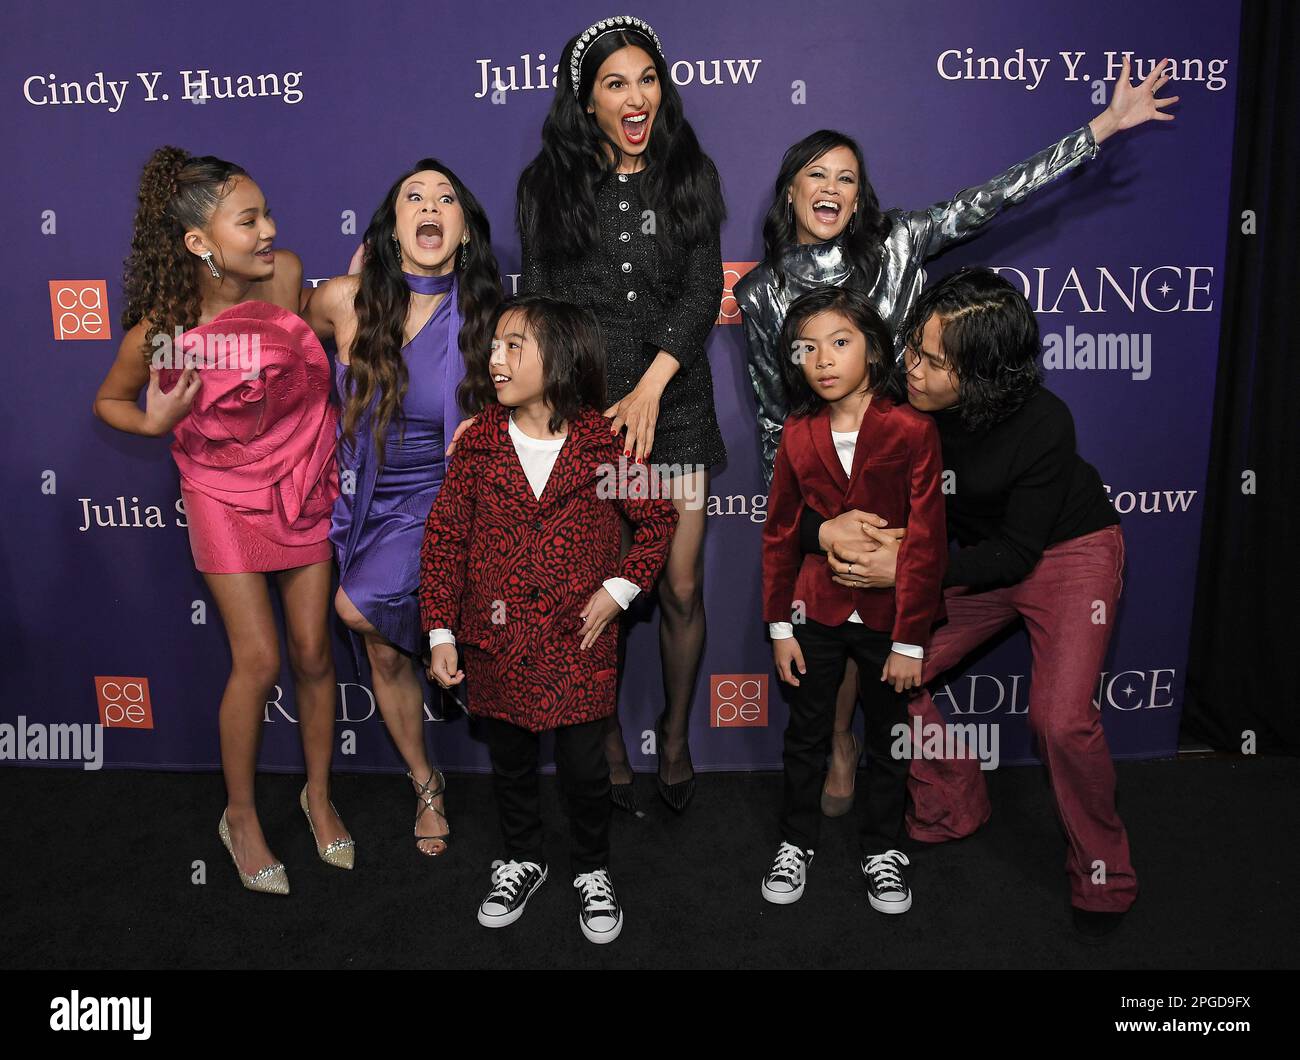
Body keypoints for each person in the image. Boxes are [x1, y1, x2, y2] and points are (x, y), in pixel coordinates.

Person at [736, 54, 1179, 815]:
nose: (832, 189)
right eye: (817, 174)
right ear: (790, 191)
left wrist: (1101, 126)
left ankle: (858, 746)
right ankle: (844, 746)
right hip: (829, 478)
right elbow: (777, 412)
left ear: (860, 194)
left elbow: (996, 198)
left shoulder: (901, 243)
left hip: (915, 462)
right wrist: (815, 518)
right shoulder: (761, 291)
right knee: (836, 607)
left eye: (847, 177)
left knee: (883, 627)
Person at [802, 268, 1137, 938]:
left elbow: (1018, 554)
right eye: (914, 350)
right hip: (970, 554)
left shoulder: (1044, 423)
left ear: (982, 375)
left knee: (1061, 721)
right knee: (887, 667)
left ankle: (1104, 873)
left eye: (933, 361)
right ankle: (956, 797)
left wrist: (909, 564)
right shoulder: (900, 396)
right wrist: (836, 526)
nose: (912, 369)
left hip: (1068, 553)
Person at [93, 147, 349, 894]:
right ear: (200, 243)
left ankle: (320, 796)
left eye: (266, 213)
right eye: (249, 220)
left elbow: (302, 351)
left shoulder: (288, 275)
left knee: (311, 650)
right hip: (221, 492)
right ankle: (239, 816)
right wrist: (152, 422)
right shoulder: (161, 331)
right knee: (260, 660)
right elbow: (109, 401)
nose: (269, 230)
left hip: (303, 475)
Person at [419, 294, 677, 943]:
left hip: (578, 642)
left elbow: (656, 522)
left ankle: (592, 869)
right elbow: (446, 538)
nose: (495, 358)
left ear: (558, 359)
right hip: (495, 642)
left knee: (587, 771)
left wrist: (619, 589)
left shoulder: (603, 441)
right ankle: (522, 858)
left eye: (514, 346)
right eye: (495, 345)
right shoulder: (477, 442)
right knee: (510, 764)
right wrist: (441, 630)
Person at [515, 14, 725, 812]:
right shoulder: (548, 185)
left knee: (677, 585)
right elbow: (539, 300)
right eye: (615, 83)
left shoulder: (689, 172)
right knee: (591, 588)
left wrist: (652, 387)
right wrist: (582, 409)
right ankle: (605, 741)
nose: (637, 96)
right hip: (587, 412)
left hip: (674, 410)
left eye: (647, 78)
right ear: (586, 101)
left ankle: (673, 735)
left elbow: (703, 288)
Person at [301, 158, 502, 856]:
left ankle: (458, 649)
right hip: (357, 492)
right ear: (390, 227)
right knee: (380, 650)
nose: (431, 205)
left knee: (356, 608)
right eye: (413, 196)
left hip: (439, 496)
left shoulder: (489, 318)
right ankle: (425, 780)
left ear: (466, 231)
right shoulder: (345, 300)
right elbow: (275, 332)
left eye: (447, 197)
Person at [761, 286, 946, 913]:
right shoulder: (796, 432)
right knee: (806, 732)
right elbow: (781, 533)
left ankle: (882, 849)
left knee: (892, 735)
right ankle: (795, 841)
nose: (824, 360)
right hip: (816, 610)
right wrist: (779, 629)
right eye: (807, 348)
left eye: (840, 342)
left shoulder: (914, 430)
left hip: (891, 619)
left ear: (873, 346)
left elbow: (925, 541)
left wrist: (910, 639)